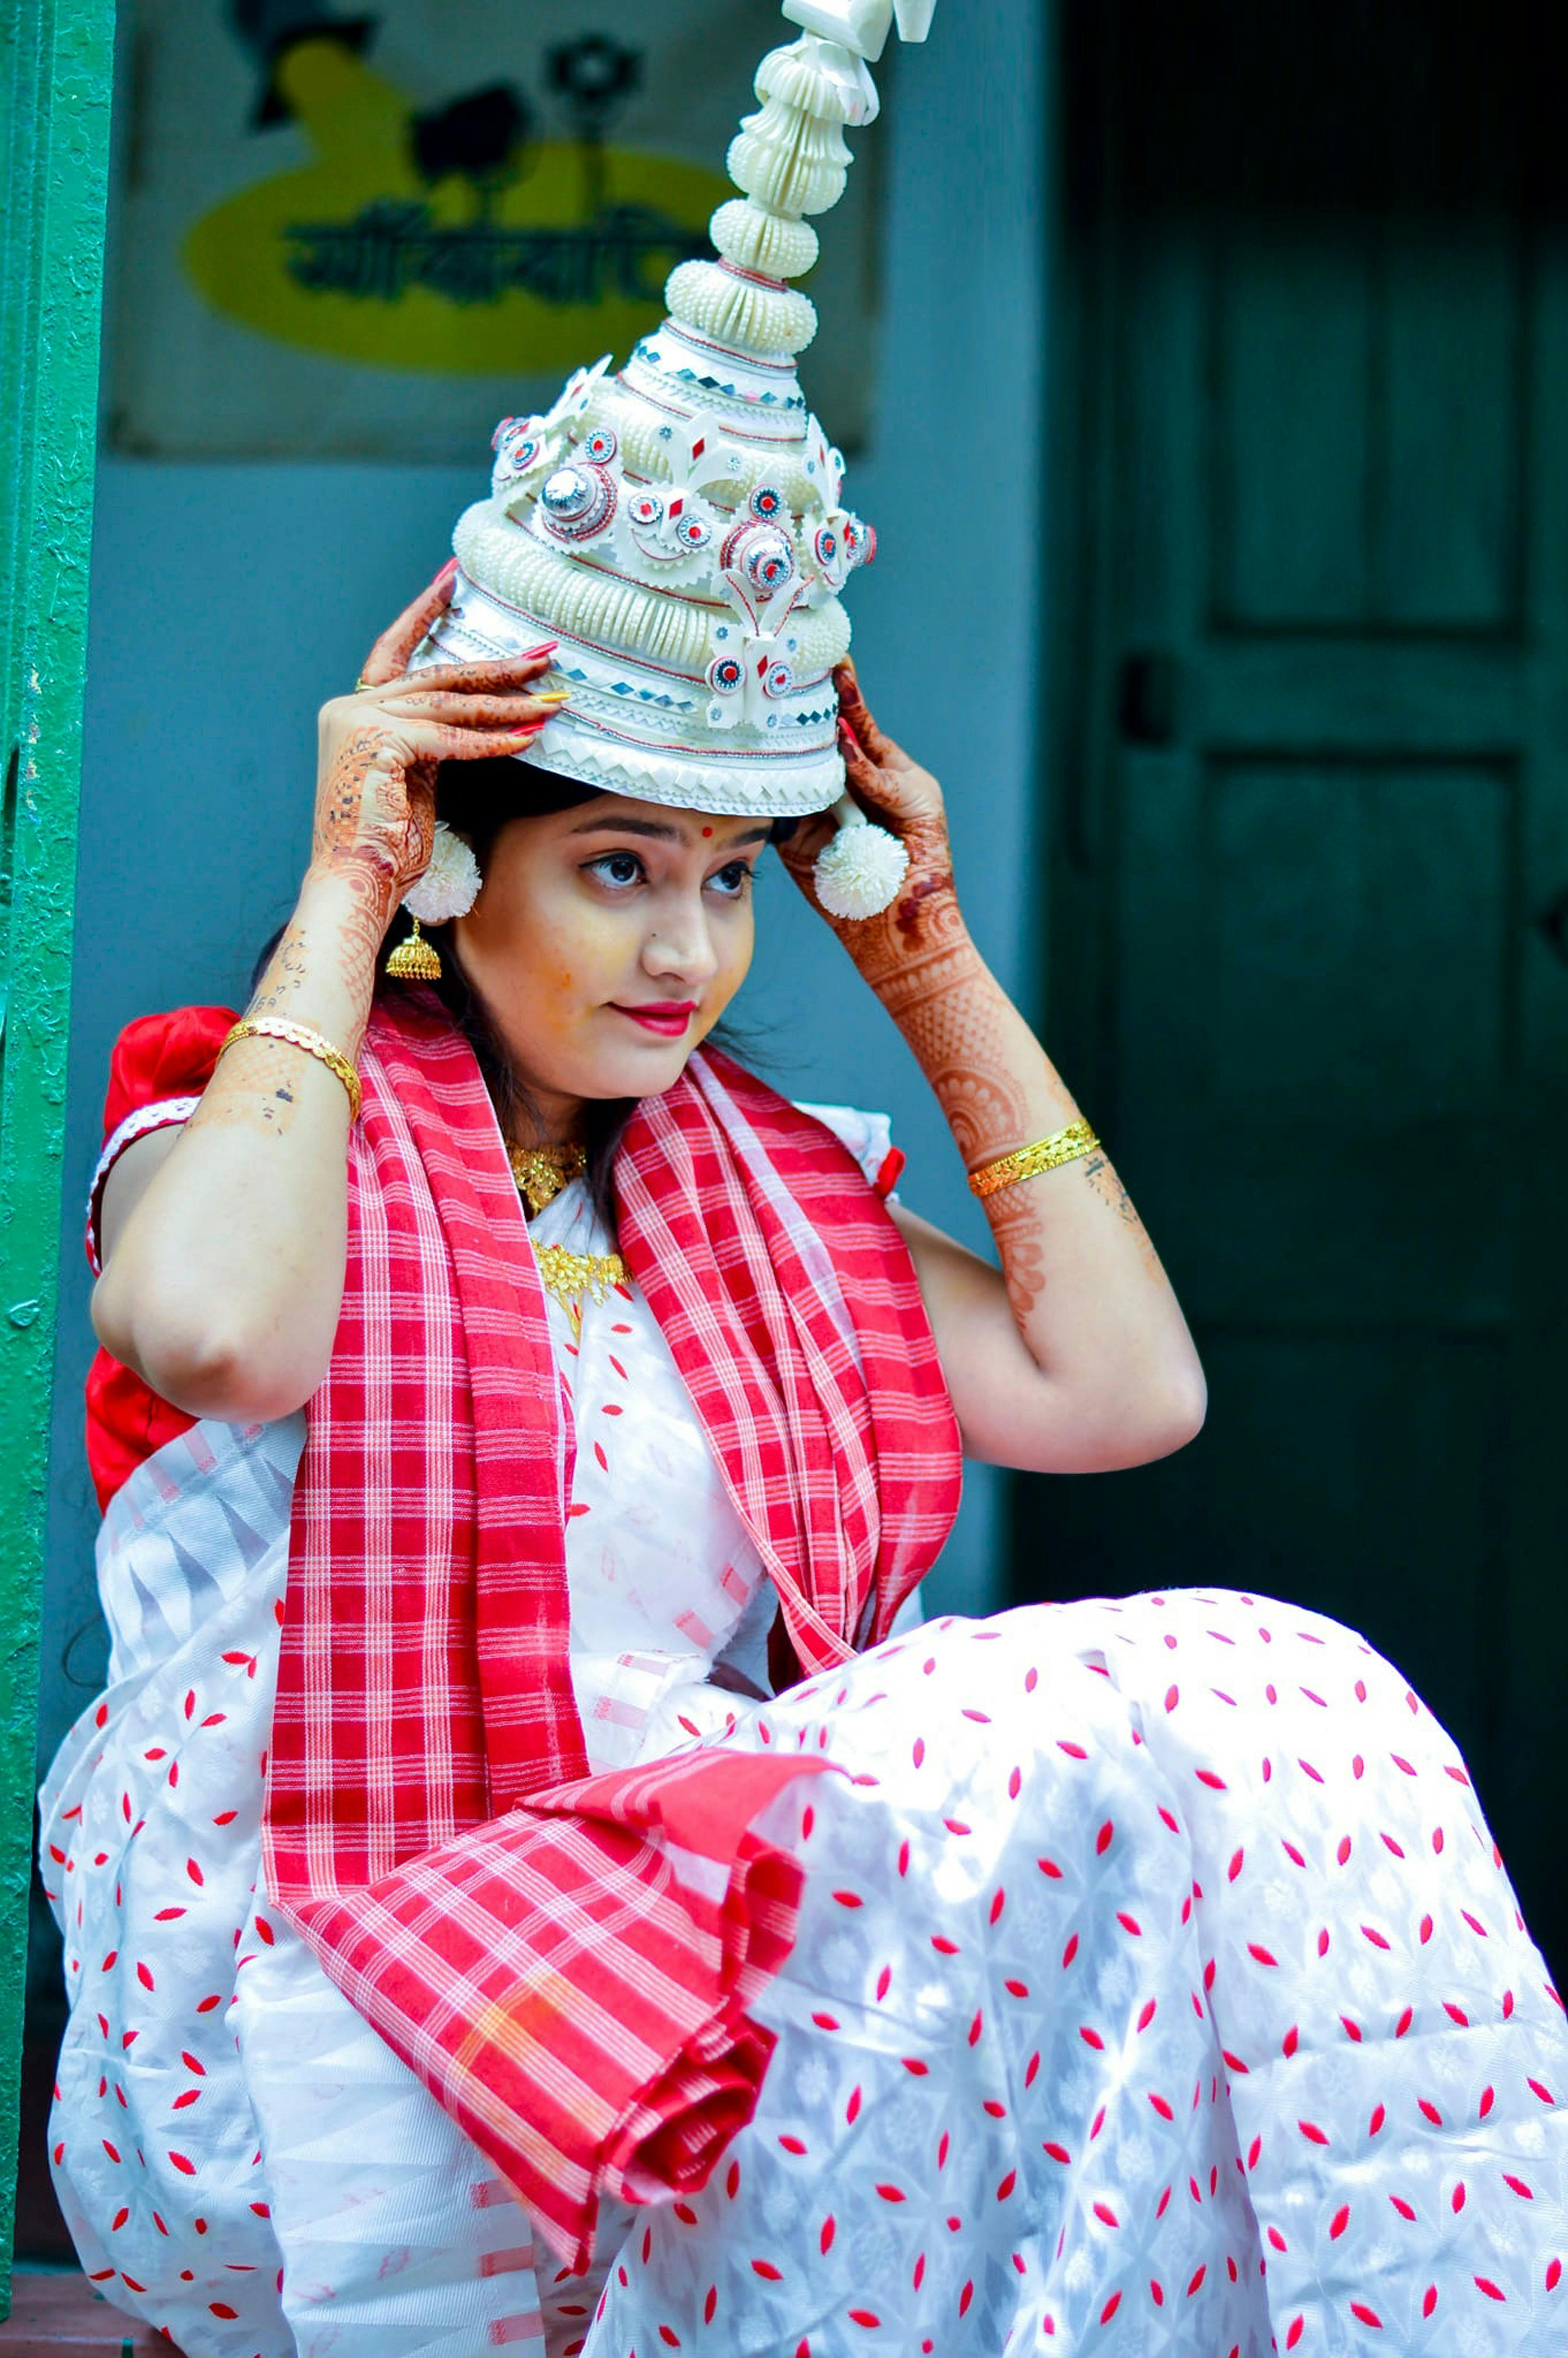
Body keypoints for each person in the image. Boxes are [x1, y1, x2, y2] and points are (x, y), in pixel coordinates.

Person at [42, 10, 1568, 2355]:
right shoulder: (255, 1129)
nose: (688, 948)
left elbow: (1118, 1392)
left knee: (1263, 1716)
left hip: (690, 1927)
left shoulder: (752, 1194)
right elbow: (215, 1338)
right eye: (622, 868)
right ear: (460, 858)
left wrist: (930, 958)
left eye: (738, 879)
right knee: (1096, 1739)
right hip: (325, 1995)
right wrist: (343, 899)